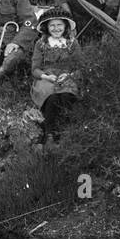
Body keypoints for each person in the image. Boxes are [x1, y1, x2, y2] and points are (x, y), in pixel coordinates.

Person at [31, 10, 81, 144]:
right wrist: (46, 77)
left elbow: (80, 66)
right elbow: (35, 69)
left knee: (65, 96)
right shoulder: (40, 44)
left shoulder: (72, 43)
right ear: (46, 27)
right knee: (51, 97)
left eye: (59, 25)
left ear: (65, 26)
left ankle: (65, 132)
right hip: (46, 78)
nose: (56, 28)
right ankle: (49, 134)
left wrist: (69, 75)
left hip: (67, 76)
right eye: (52, 25)